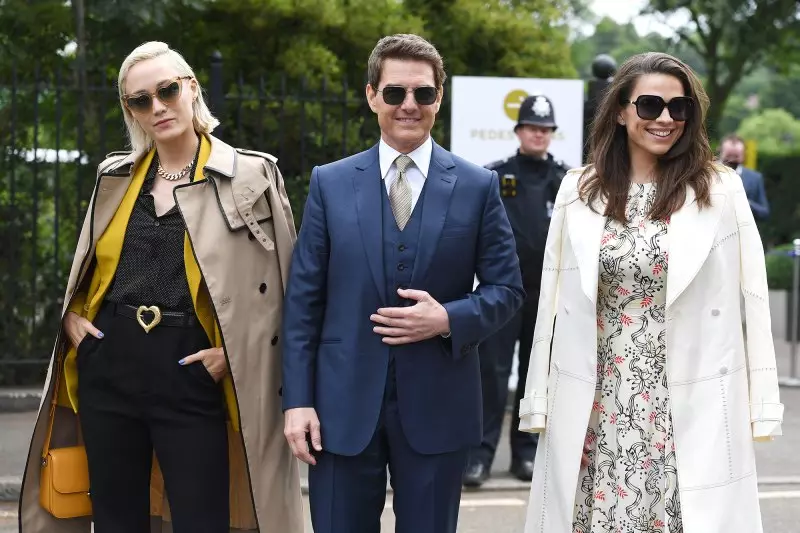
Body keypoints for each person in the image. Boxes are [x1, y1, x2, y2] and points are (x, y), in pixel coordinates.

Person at [19, 41, 303, 533]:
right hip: (110, 359)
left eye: (167, 90)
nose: (158, 107)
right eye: (140, 100)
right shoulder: (117, 177)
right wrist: (72, 320)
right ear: (131, 110)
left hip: (190, 367)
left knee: (203, 518)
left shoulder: (250, 176)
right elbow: (86, 269)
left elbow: (285, 287)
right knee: (116, 518)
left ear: (191, 88)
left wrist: (228, 356)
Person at [520, 52, 783, 533]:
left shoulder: (718, 189)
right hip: (597, 400)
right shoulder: (579, 189)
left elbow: (754, 295)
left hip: (691, 394)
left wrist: (761, 402)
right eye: (650, 106)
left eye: (678, 108)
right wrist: (539, 398)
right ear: (620, 110)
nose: (665, 119)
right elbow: (550, 306)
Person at [281, 33, 524, 533]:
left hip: (439, 406)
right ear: (372, 96)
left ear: (440, 97)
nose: (409, 105)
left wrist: (447, 318)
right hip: (339, 410)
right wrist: (297, 401)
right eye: (395, 93)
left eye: (423, 93)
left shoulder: (479, 186)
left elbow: (507, 290)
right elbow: (303, 301)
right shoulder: (330, 182)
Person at [464, 94, 570, 487]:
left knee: (535, 376)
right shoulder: (496, 176)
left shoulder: (564, 180)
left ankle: (526, 456)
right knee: (491, 375)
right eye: (532, 128)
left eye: (545, 129)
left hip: (547, 295)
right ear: (519, 131)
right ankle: (478, 456)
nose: (538, 135)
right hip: (502, 292)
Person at [719, 133, 770, 220]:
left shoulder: (755, 178)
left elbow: (764, 212)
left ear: (743, 154)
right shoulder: (707, 174)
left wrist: (746, 203)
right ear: (720, 151)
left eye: (736, 156)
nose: (732, 160)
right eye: (729, 156)